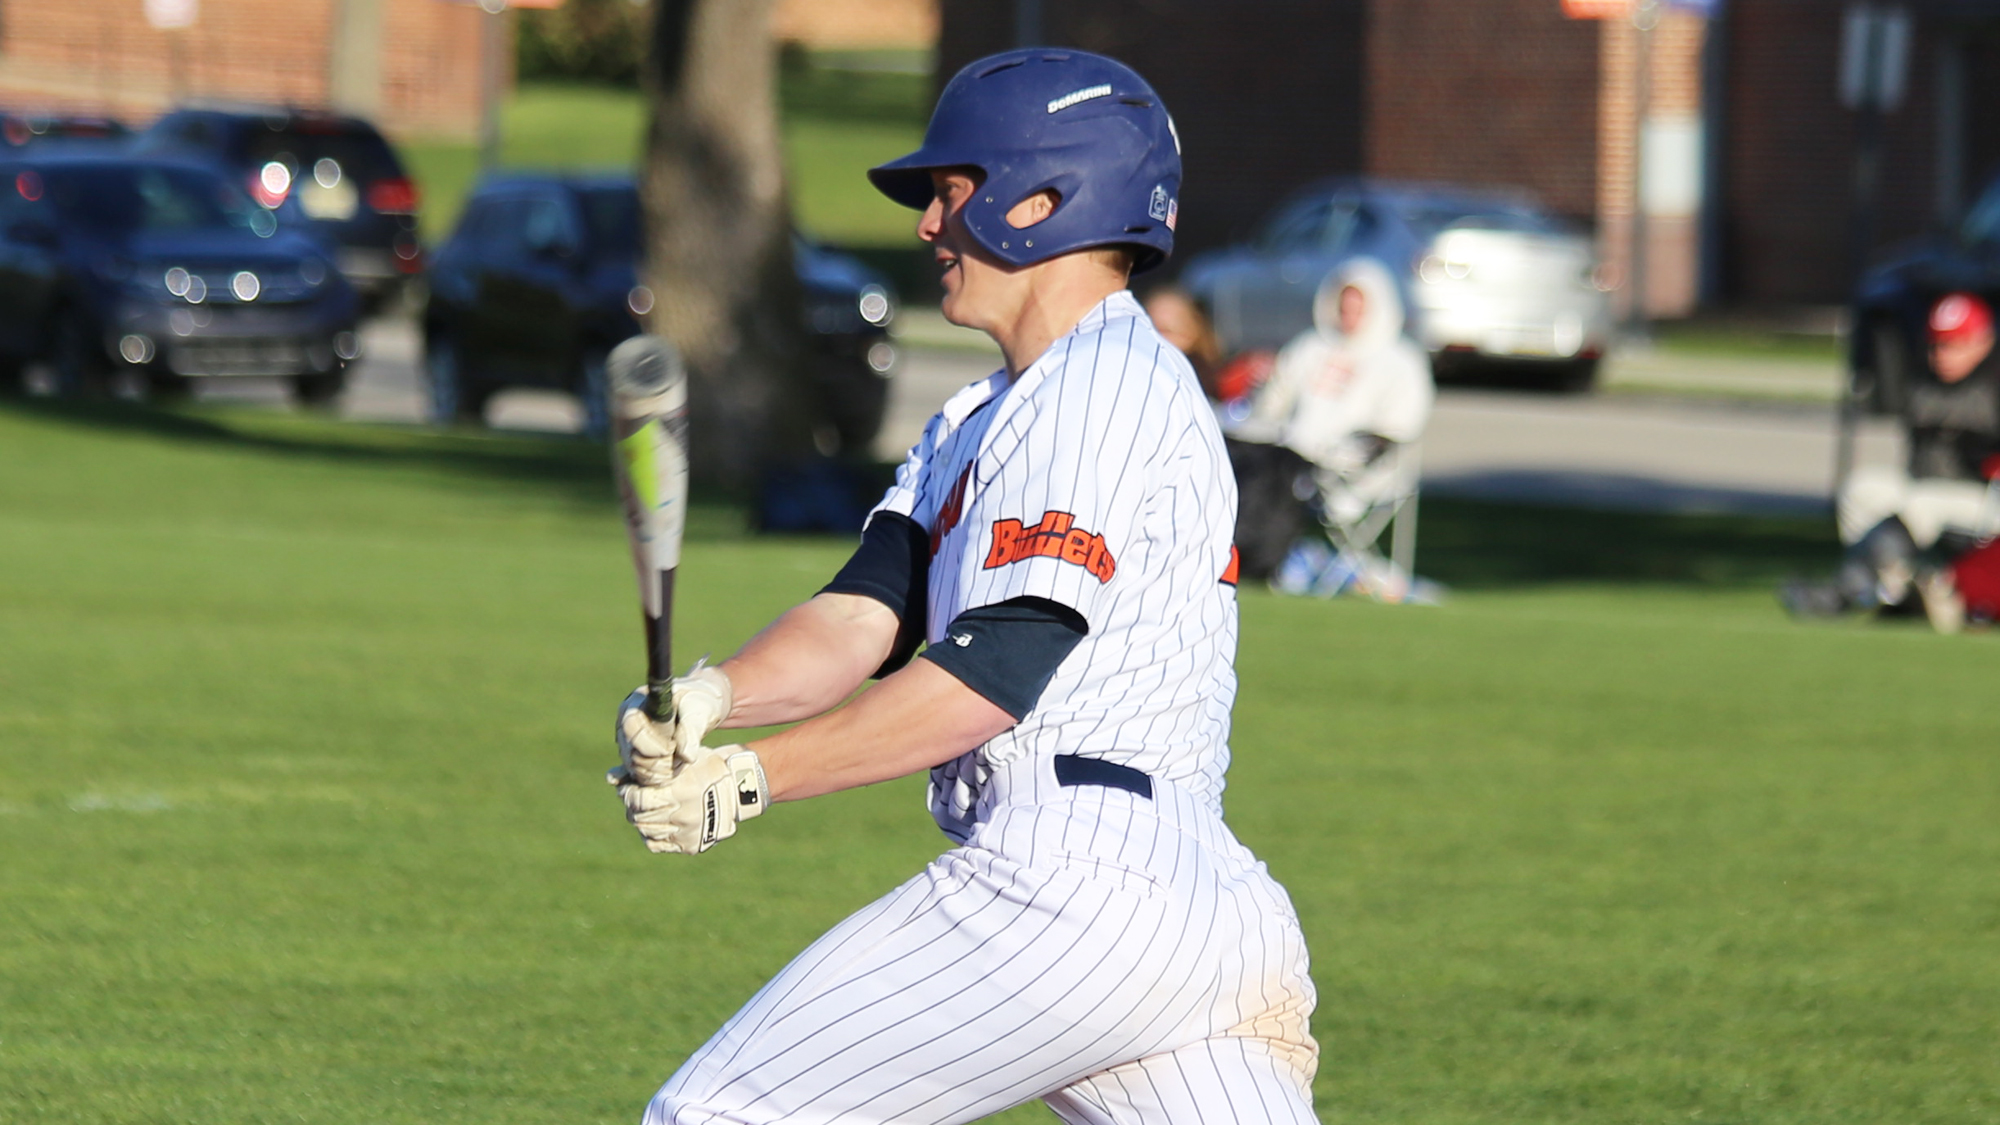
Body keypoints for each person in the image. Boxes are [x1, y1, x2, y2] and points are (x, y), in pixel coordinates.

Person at [607, 50, 1319, 1125]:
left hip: (1072, 891)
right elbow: (862, 614)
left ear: (1043, 201)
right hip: (1194, 912)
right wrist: (710, 699)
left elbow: (987, 678)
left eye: (950, 193)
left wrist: (748, 780)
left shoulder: (1102, 388)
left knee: (713, 1117)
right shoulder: (989, 414)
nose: (927, 227)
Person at [1783, 291, 2000, 618]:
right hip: (1928, 484)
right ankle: (1892, 587)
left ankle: (1846, 592)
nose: (1942, 354)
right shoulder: (1924, 383)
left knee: (1921, 505)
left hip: (1984, 499)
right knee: (1863, 489)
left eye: (1955, 344)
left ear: (1983, 341)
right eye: (1937, 344)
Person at [1225, 258, 1435, 595]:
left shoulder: (1401, 361)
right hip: (1290, 451)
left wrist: (1347, 453)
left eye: (1359, 308)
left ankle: (1262, 557)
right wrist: (1262, 385)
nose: (1349, 316)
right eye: (1344, 306)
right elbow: (1271, 409)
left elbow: (1401, 427)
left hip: (1352, 465)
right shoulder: (1310, 347)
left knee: (1277, 472)